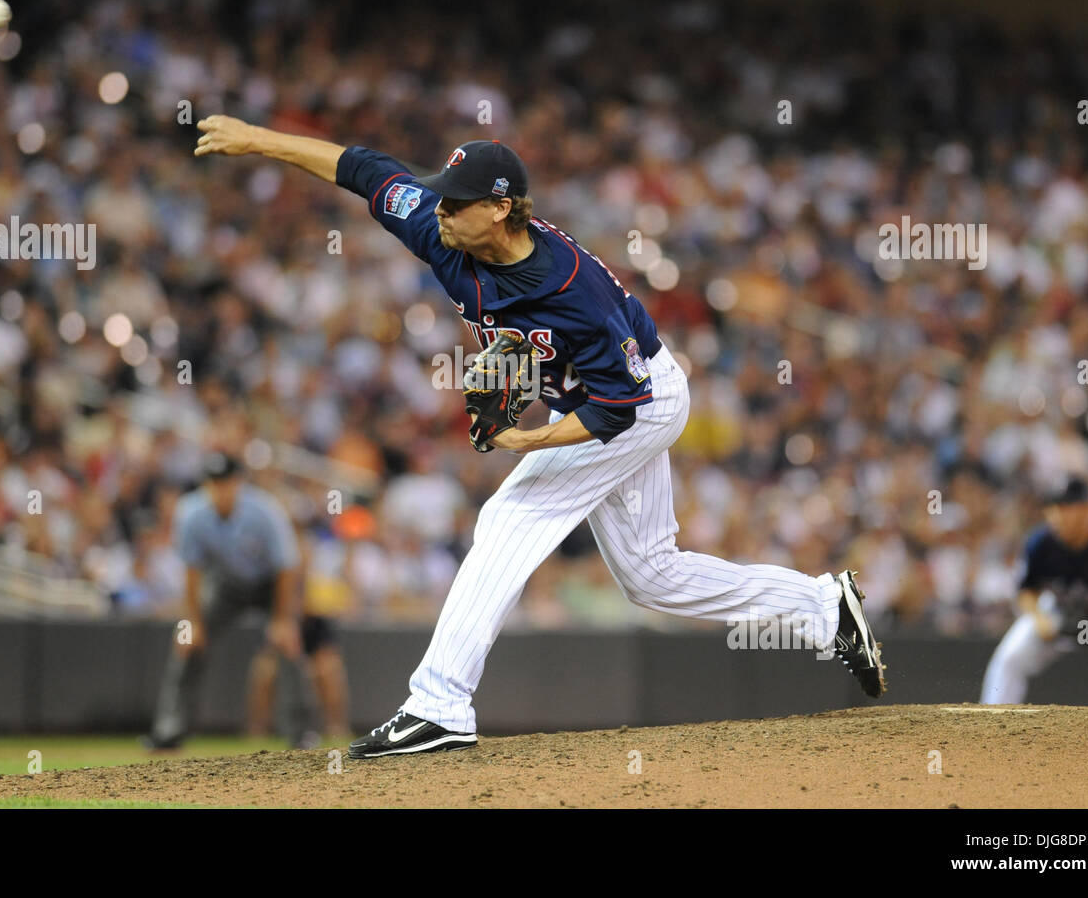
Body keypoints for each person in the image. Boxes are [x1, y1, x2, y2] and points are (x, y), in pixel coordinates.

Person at [192, 116, 886, 760]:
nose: (438, 209)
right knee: (652, 575)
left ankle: (440, 702)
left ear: (499, 209)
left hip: (635, 400)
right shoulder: (439, 228)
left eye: (455, 202)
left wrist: (527, 444)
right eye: (440, 196)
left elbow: (619, 408)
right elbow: (362, 169)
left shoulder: (571, 292)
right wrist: (256, 138)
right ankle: (825, 608)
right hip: (603, 398)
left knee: (509, 515)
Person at [144, 452, 347, 748]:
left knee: (288, 643)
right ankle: (169, 730)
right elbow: (192, 571)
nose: (220, 489)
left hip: (270, 584)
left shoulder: (264, 510)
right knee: (187, 642)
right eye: (214, 482)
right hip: (226, 585)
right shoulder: (191, 512)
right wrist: (192, 621)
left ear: (238, 483)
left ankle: (300, 733)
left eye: (225, 482)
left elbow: (287, 567)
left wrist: (283, 619)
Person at [980, 477, 1088, 704]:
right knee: (1010, 657)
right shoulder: (1040, 544)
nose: (1057, 514)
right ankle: (990, 724)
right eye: (1053, 507)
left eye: (1065, 507)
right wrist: (1039, 619)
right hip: (1058, 617)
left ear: (1087, 510)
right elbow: (1026, 591)